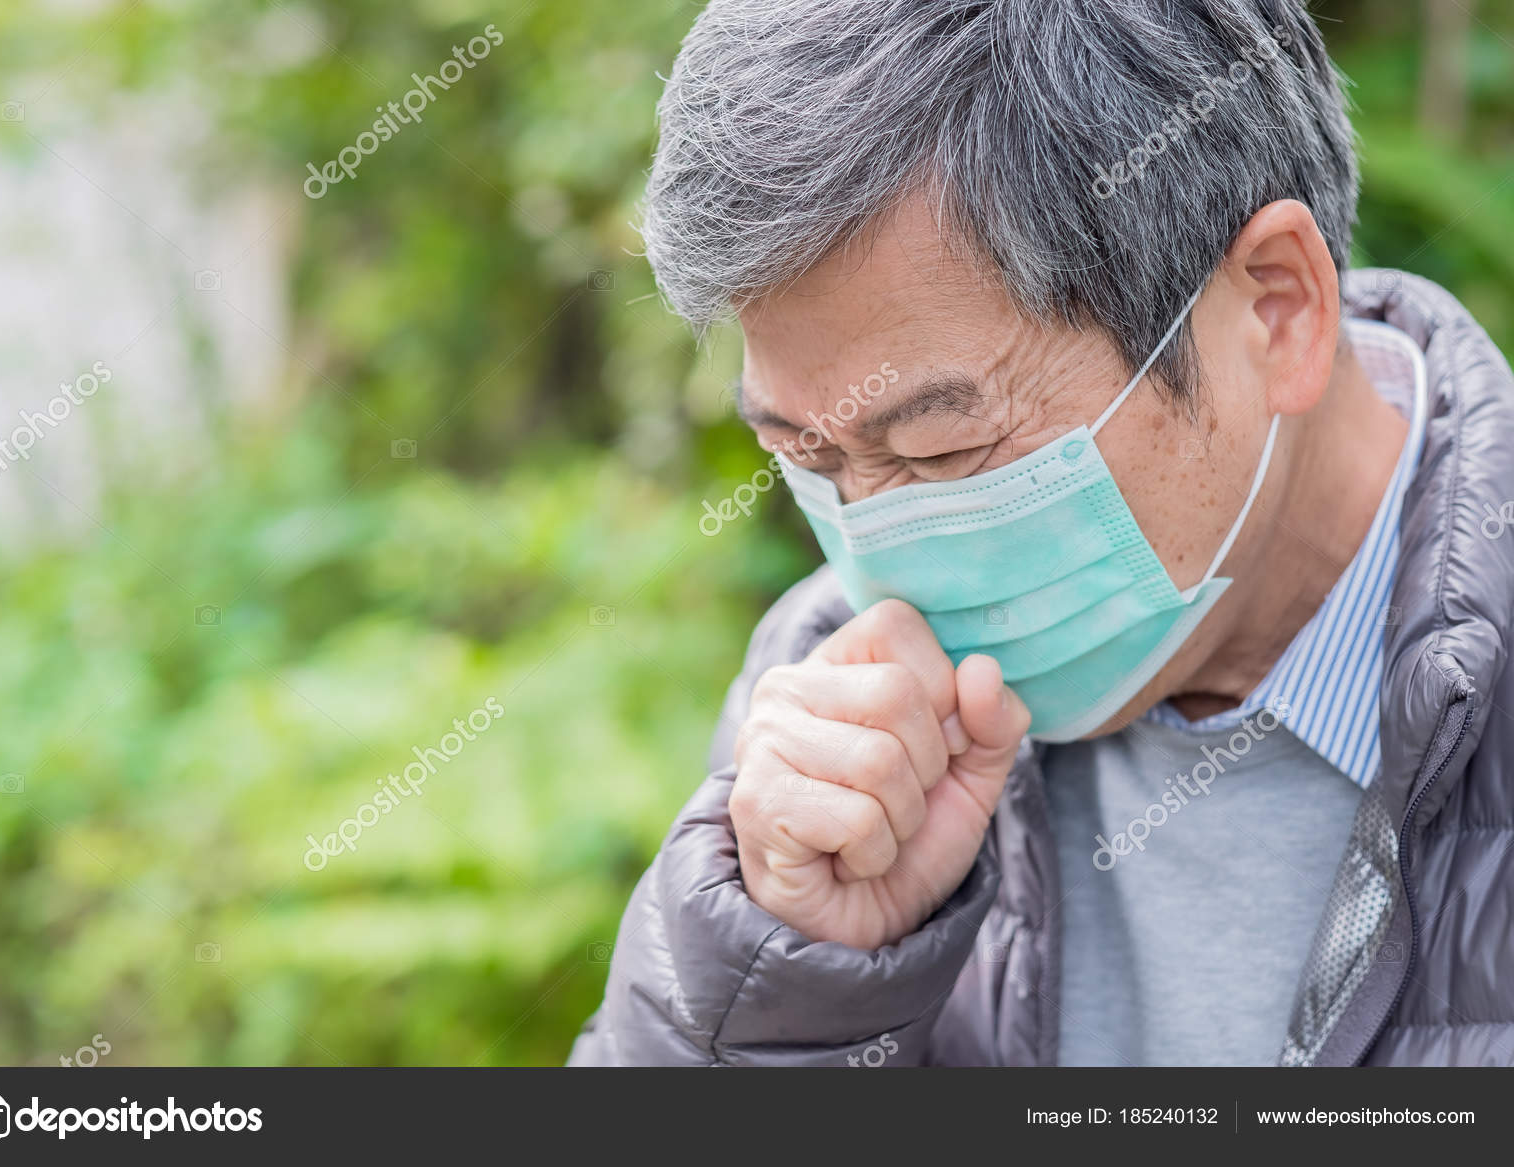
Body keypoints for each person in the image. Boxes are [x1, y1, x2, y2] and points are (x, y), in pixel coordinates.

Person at [570, 0, 1514, 1066]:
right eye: (813, 459)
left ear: (1275, 309)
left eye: (941, 451)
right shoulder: (832, 714)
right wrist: (788, 982)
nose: (879, 559)